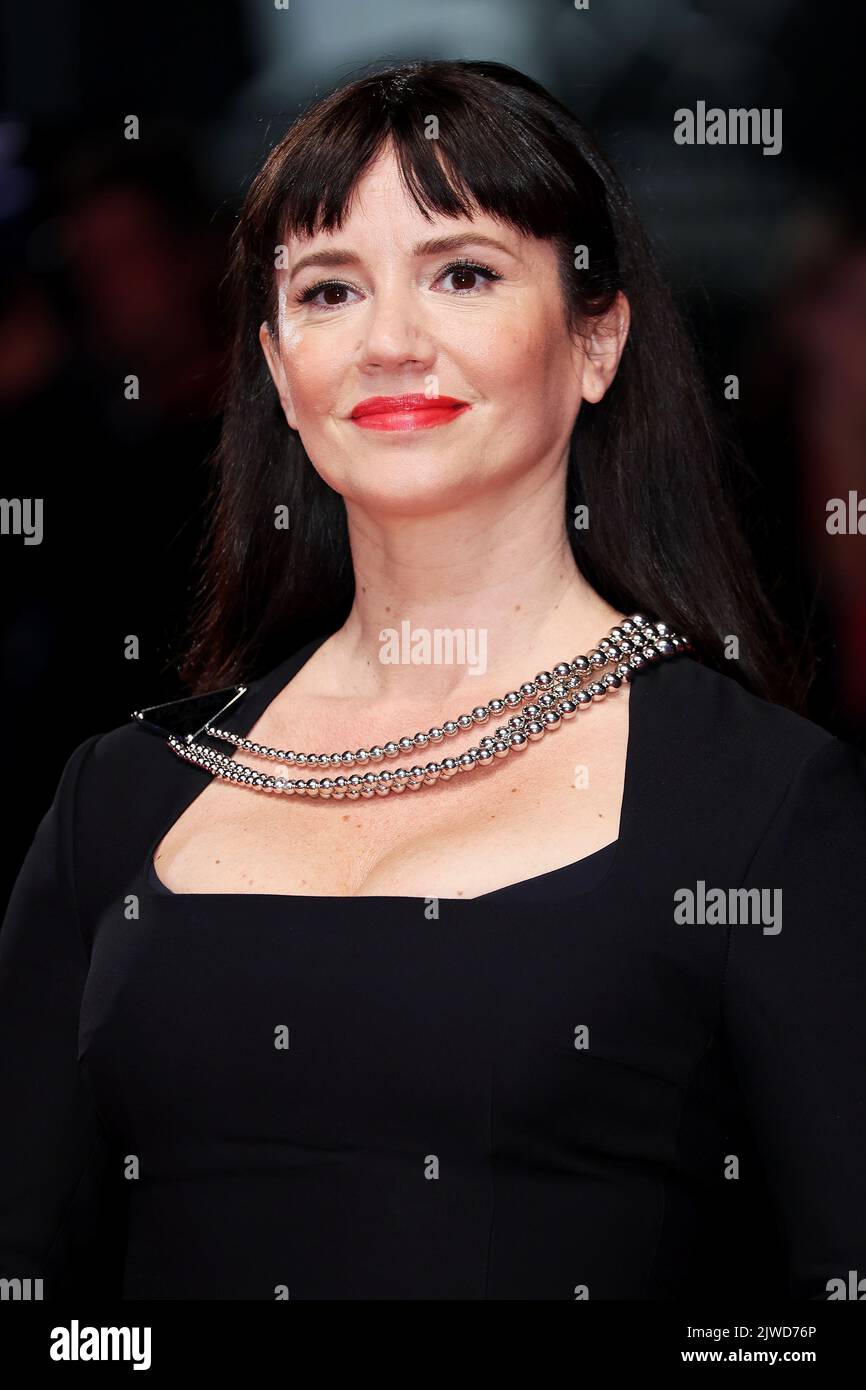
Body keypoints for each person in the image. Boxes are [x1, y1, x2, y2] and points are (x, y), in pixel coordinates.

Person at [1, 59, 864, 1301]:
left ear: (595, 338)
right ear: (279, 366)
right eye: (329, 288)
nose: (390, 342)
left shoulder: (759, 807)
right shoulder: (119, 799)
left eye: (461, 272)